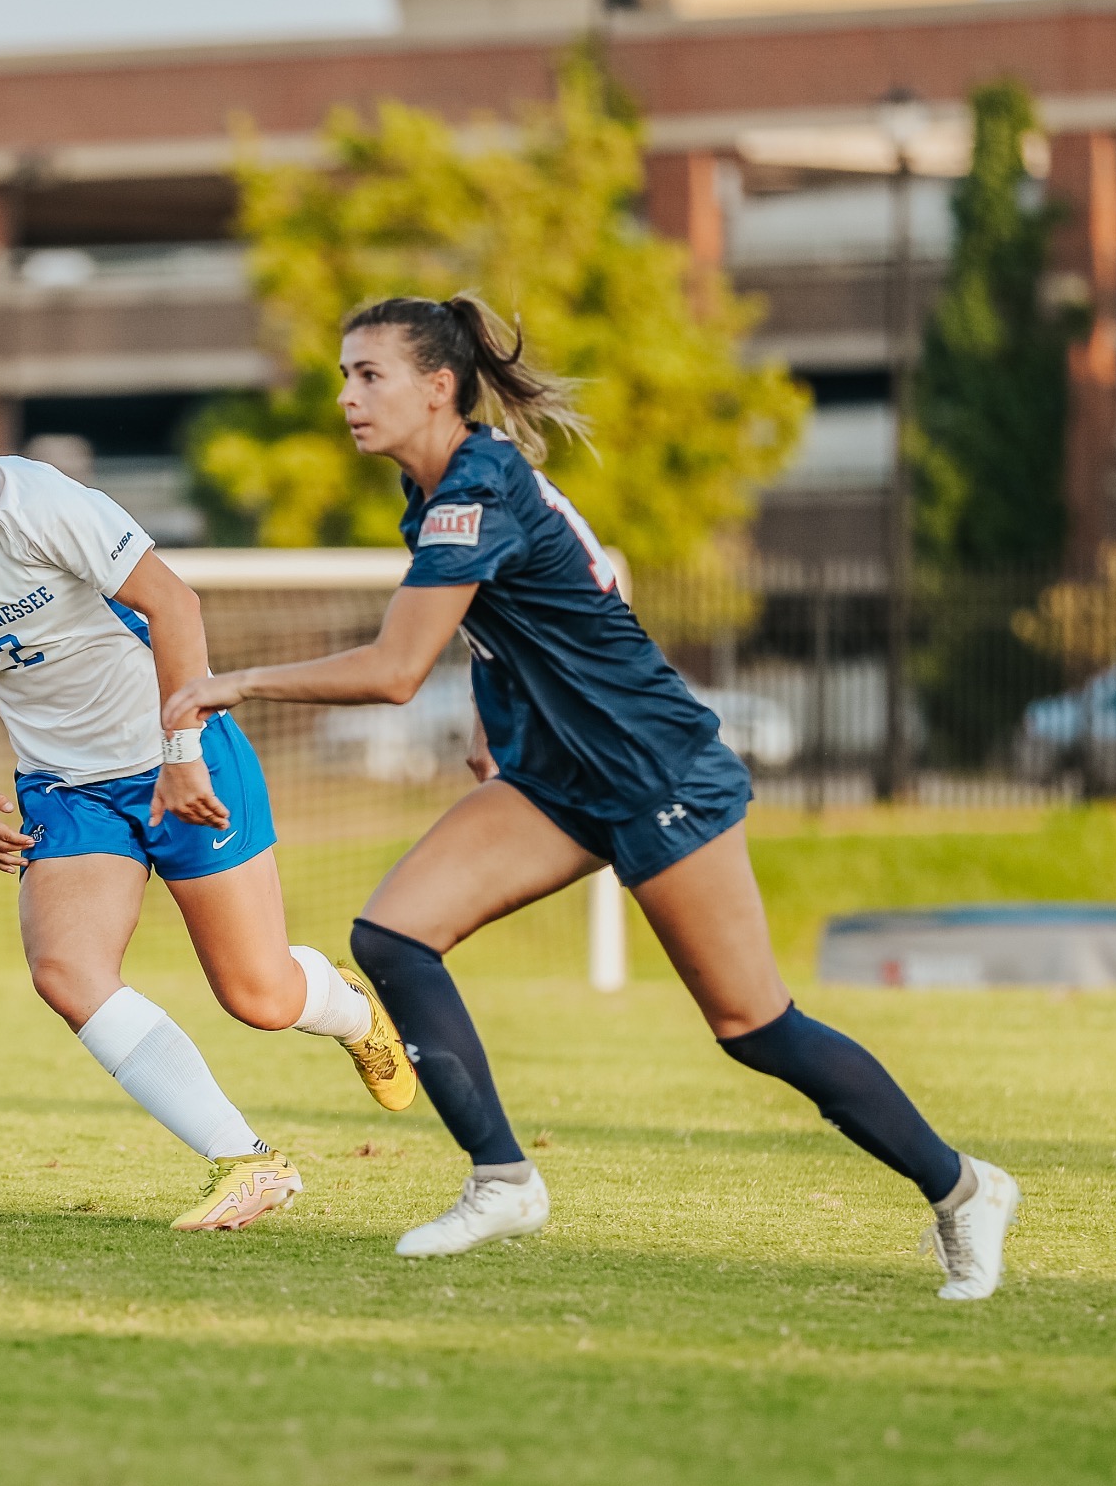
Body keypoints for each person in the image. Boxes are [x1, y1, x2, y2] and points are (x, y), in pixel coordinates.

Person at [162, 296, 1021, 1295]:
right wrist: (493, 735)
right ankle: (502, 1179)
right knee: (393, 936)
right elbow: (505, 621)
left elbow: (398, 670)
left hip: (657, 773)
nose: (346, 394)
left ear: (439, 387)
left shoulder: (472, 491)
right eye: (345, 374)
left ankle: (963, 1188)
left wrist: (234, 681)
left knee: (755, 1027)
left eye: (368, 374)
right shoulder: (439, 488)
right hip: (559, 777)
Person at [0, 346, 415, 1231]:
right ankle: (246, 1161)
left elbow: (176, 606)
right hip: (67, 790)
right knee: (65, 971)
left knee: (259, 997)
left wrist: (183, 749)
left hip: (177, 756)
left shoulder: (38, 504)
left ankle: (348, 1009)